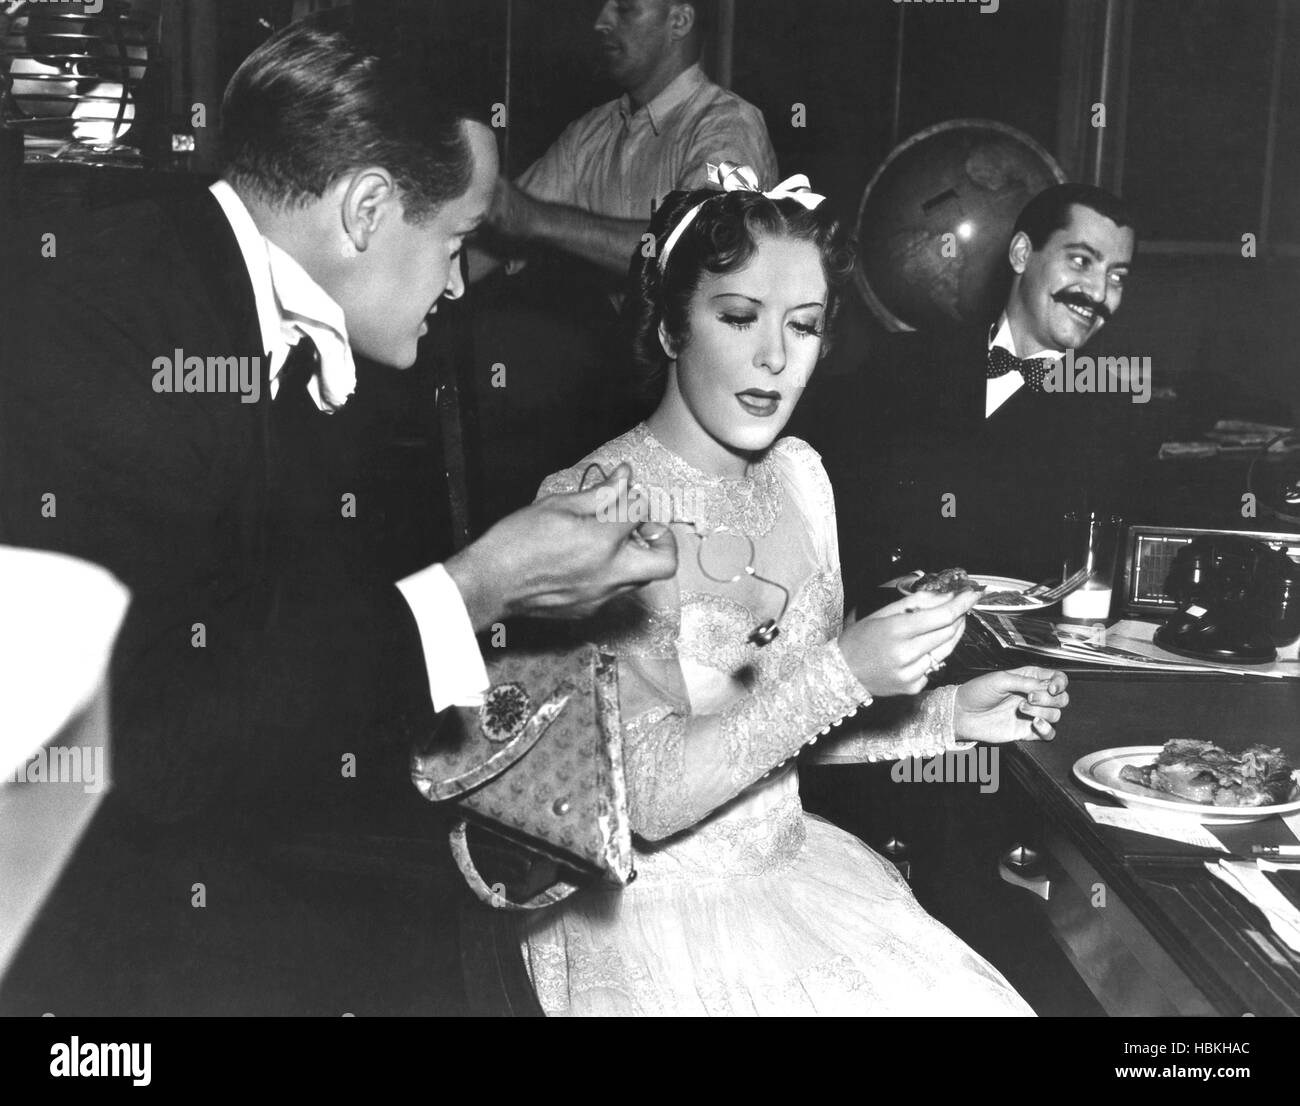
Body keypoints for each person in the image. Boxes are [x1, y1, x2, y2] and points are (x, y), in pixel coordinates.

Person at [0, 22, 675, 1013]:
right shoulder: (116, 335)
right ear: (365, 210)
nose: (458, 283)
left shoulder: (236, 301)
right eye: (455, 242)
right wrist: (480, 587)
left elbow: (287, 648)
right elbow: (160, 749)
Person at [515, 170, 1071, 1016]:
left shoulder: (803, 478)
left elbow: (778, 736)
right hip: (653, 920)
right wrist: (848, 671)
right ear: (670, 326)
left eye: (803, 325)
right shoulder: (593, 507)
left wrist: (947, 717)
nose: (775, 357)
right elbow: (650, 797)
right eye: (740, 317)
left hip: (792, 871)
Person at [795, 184, 1156, 608]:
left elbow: (1103, 576)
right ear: (1022, 253)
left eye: (1117, 277)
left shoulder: (1116, 412)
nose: (1098, 293)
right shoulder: (903, 363)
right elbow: (836, 509)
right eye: (1081, 261)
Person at [476, 0, 777, 279]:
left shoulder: (728, 125)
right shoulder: (589, 136)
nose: (600, 22)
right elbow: (505, 220)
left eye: (625, 8)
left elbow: (699, 247)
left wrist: (540, 220)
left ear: (679, 22)